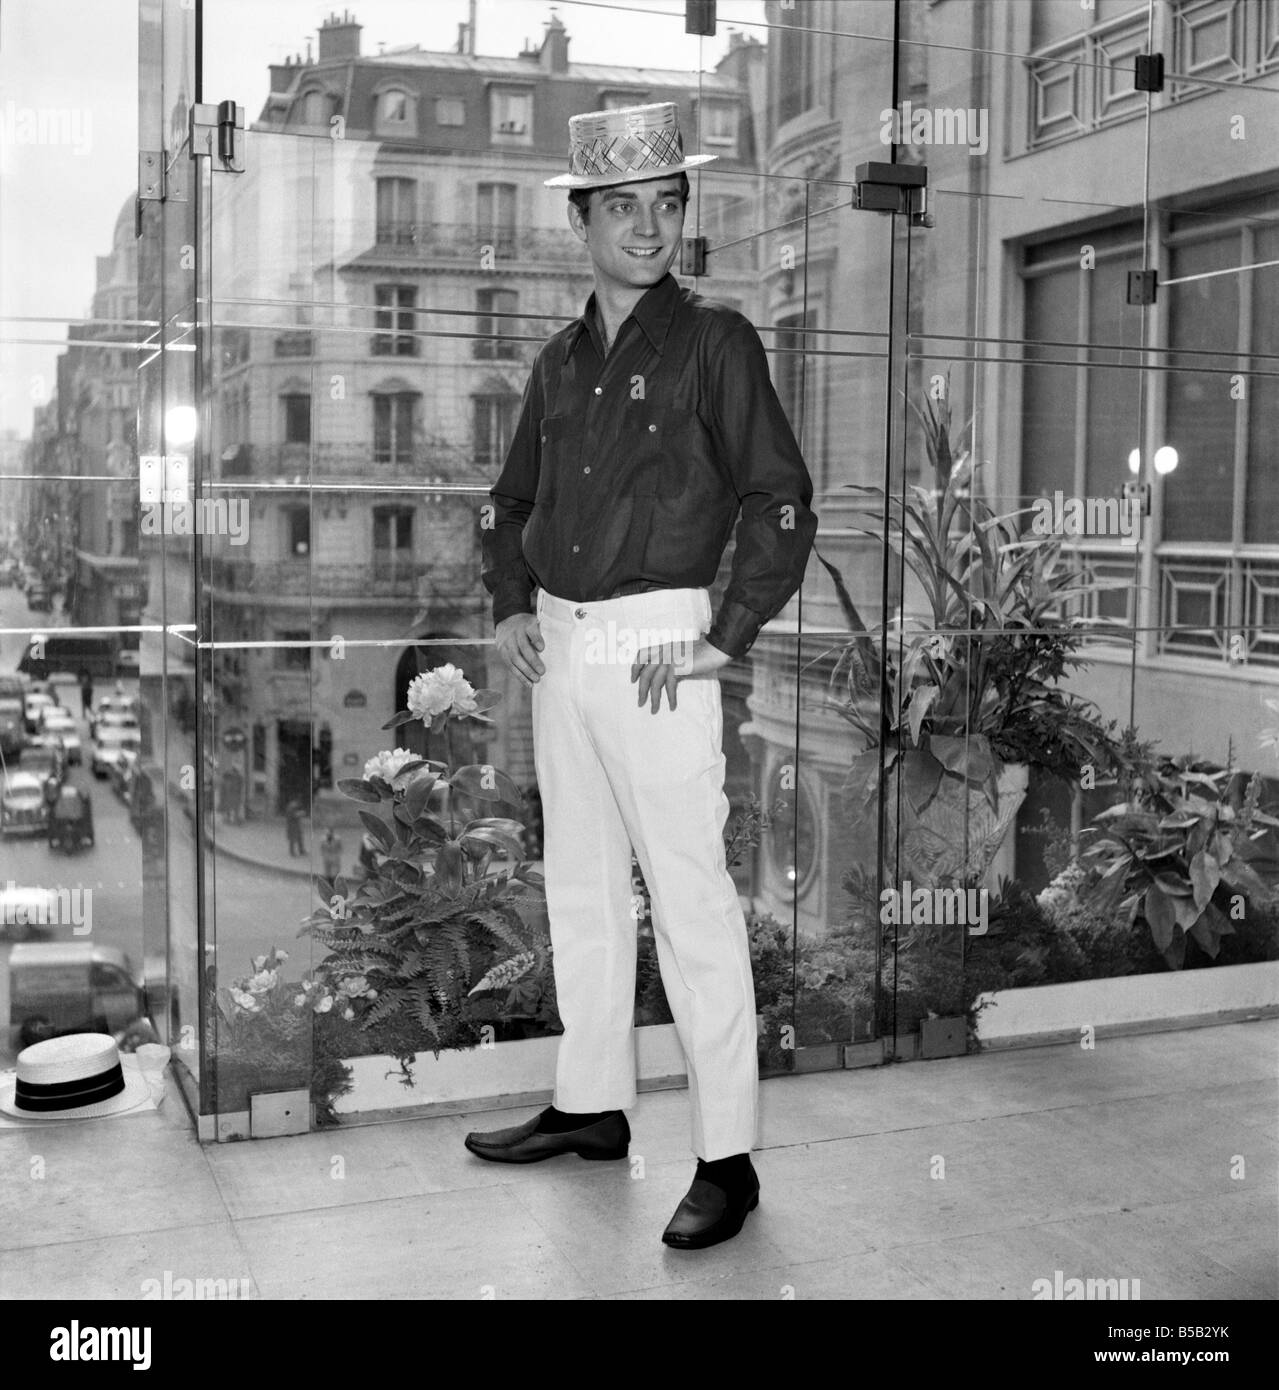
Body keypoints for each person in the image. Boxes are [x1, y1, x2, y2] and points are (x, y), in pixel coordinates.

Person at [475, 102, 817, 1250]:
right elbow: (506, 505)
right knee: (578, 883)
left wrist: (726, 632)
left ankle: (727, 1157)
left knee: (691, 900)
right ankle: (591, 1106)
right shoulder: (558, 361)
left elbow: (779, 496)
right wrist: (511, 602)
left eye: (667, 204)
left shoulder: (716, 342)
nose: (648, 226)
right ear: (581, 219)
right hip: (562, 643)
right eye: (622, 205)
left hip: (660, 641)